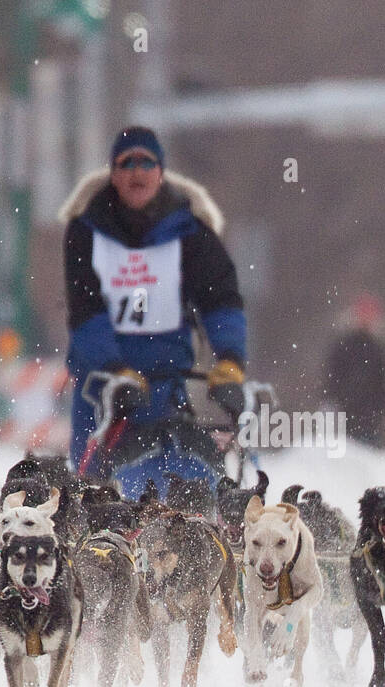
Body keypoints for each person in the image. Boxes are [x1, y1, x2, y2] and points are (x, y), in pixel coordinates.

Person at [60, 126, 247, 484]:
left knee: (182, 482)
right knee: (93, 492)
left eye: (146, 162)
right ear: (113, 174)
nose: (137, 172)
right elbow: (85, 311)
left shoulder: (189, 232)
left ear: (160, 172)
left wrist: (230, 360)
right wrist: (115, 368)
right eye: (126, 163)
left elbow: (220, 298)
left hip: (166, 387)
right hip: (101, 390)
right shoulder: (86, 232)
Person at [324, 291, 385, 446]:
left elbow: (384, 378)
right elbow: (333, 373)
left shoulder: (379, 345)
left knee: (367, 445)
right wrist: (334, 398)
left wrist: (383, 403)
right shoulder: (344, 343)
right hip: (347, 407)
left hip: (371, 410)